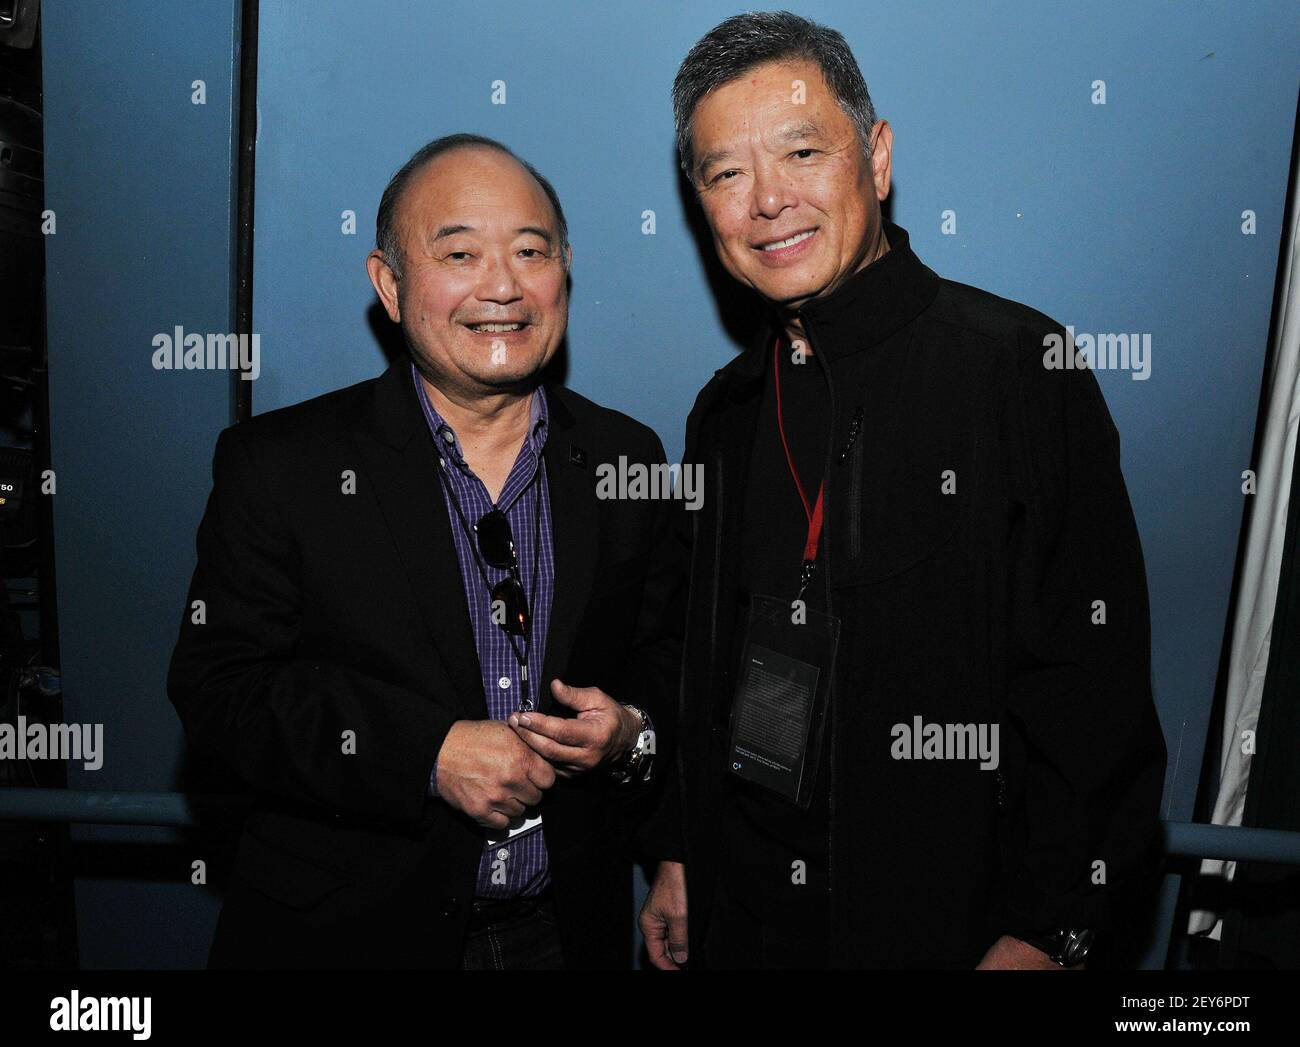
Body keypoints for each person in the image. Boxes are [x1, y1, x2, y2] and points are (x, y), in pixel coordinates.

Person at [639, 11, 1166, 970]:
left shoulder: (1014, 370)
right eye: (725, 174)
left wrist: (1049, 933)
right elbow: (698, 665)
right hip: (745, 920)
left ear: (875, 159)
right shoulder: (727, 410)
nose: (767, 201)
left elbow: (1092, 690)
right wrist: (679, 848)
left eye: (801, 151)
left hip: (945, 926)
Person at [168, 133, 682, 969]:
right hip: (345, 942)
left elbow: (668, 658)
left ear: (565, 270)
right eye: (460, 253)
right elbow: (219, 686)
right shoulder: (281, 466)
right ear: (390, 284)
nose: (504, 286)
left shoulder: (628, 456)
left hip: (567, 937)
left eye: (530, 250)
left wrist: (631, 732)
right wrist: (426, 755)